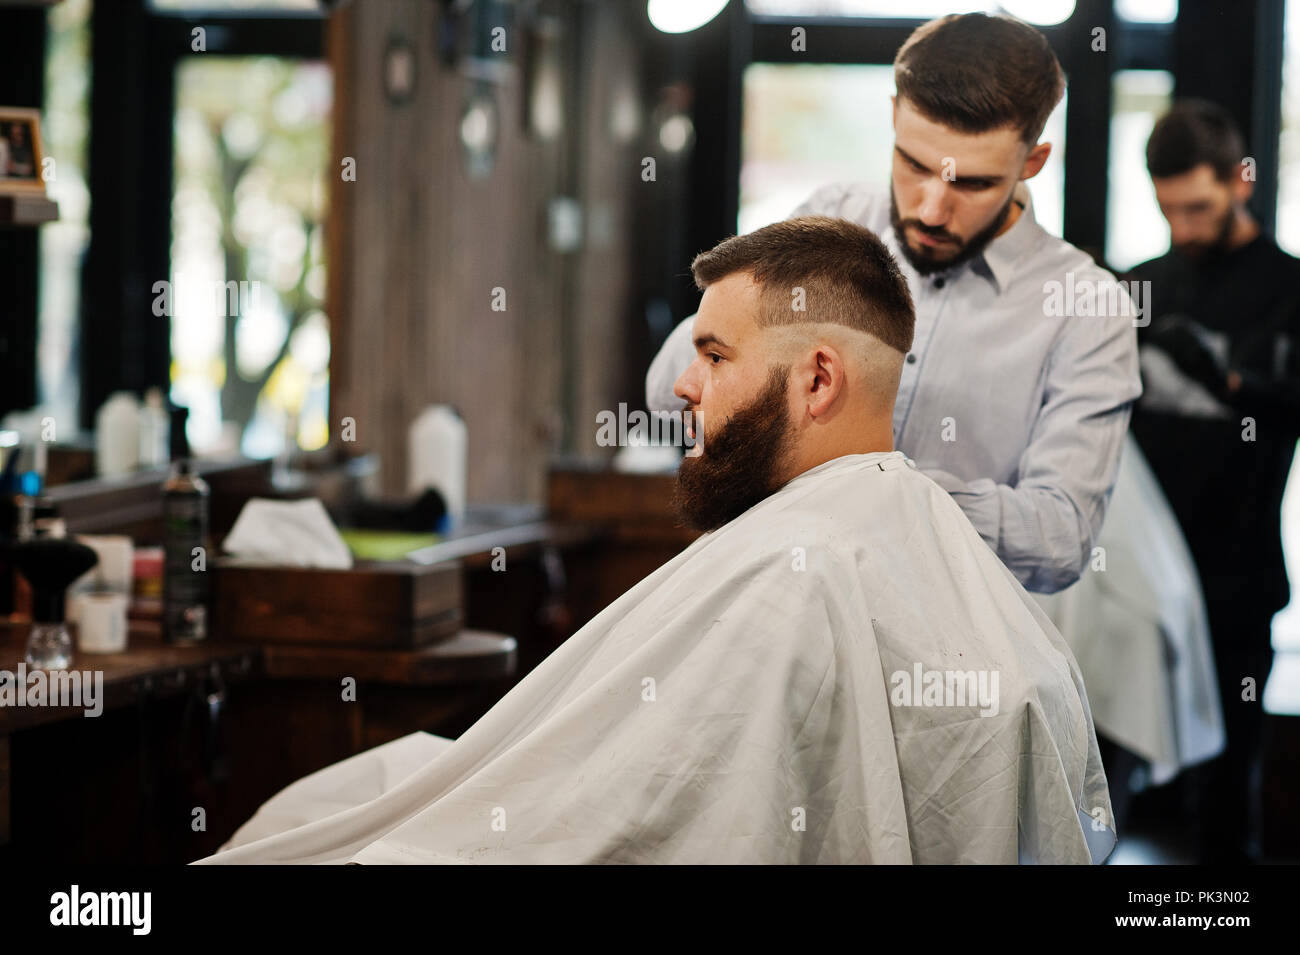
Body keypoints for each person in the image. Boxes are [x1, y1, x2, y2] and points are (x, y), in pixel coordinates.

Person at [198, 217, 1114, 865]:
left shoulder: (799, 572)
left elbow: (652, 820)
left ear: (818, 379)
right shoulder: (880, 539)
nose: (681, 385)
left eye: (713, 354)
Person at [647, 12, 1141, 595]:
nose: (931, 209)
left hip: (950, 653)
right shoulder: (832, 216)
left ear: (1031, 163)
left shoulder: (1086, 308)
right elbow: (663, 401)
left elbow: (1060, 539)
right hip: (779, 600)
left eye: (972, 183)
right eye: (913, 165)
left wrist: (874, 487)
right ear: (893, 118)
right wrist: (739, 325)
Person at [1125, 100, 1300, 862]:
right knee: (1115, 788)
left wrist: (1227, 377)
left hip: (1238, 577)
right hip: (1139, 582)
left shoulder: (1291, 288)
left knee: (1227, 797)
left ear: (1243, 181)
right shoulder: (1143, 285)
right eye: (1170, 212)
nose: (1186, 230)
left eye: (1199, 207)